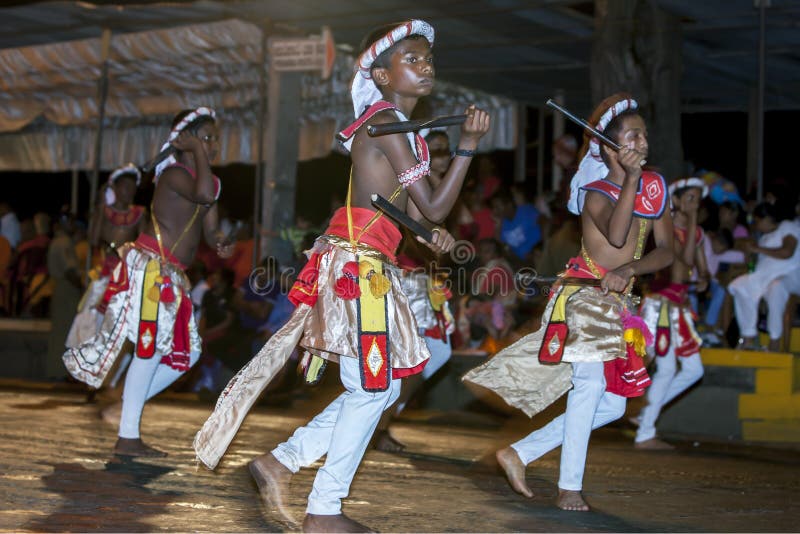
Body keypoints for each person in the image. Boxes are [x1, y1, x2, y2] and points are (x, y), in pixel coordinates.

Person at [194, 19, 489, 532]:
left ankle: (281, 462)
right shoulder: (388, 123)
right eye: (411, 60)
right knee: (374, 391)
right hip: (361, 269)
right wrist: (467, 147)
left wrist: (424, 234)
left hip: (367, 262)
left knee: (381, 389)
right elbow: (438, 206)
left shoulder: (397, 128)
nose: (426, 67)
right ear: (380, 74)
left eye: (427, 59)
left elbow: (413, 215)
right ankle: (324, 511)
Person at [464, 93, 673, 511]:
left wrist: (631, 271)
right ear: (609, 147)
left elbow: (666, 251)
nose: (643, 143)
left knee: (612, 404)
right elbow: (616, 237)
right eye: (633, 136)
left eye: (644, 135)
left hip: (621, 304)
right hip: (584, 296)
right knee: (591, 385)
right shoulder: (594, 193)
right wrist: (631, 181)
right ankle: (569, 488)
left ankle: (519, 452)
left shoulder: (655, 187)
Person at [63, 107, 233, 456]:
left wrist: (218, 239)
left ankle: (128, 408)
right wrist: (197, 152)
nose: (213, 144)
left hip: (172, 276)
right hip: (152, 271)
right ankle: (128, 435)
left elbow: (210, 221)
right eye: (206, 138)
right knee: (151, 346)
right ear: (184, 141)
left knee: (189, 353)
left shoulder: (209, 181)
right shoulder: (173, 175)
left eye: (215, 139)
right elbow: (202, 195)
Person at [634, 177, 709, 449]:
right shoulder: (665, 229)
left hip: (678, 309)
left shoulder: (696, 233)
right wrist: (690, 223)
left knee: (692, 370)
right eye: (690, 199)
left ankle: (644, 414)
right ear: (675, 200)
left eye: (698, 200)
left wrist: (704, 279)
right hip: (660, 308)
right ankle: (644, 430)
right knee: (665, 369)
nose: (695, 204)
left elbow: (700, 269)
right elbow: (685, 262)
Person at [66, 164, 146, 350]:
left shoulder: (139, 214)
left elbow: (143, 245)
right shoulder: (104, 211)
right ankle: (88, 352)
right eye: (126, 187)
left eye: (133, 188)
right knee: (93, 313)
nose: (130, 191)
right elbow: (93, 239)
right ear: (115, 189)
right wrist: (101, 207)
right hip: (105, 269)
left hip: (126, 271)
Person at [729, 202, 800, 351]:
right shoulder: (763, 238)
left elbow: (787, 252)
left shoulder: (787, 226)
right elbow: (757, 264)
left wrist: (757, 248)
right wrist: (749, 252)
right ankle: (748, 337)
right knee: (739, 285)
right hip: (765, 278)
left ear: (767, 219)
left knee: (776, 287)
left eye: (757, 220)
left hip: (789, 275)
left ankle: (774, 340)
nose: (756, 225)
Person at [46, 213, 83, 380]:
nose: (72, 224)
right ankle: (61, 372)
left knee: (62, 330)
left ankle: (58, 371)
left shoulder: (59, 241)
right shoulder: (63, 242)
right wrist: (82, 289)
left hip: (60, 287)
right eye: (69, 221)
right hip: (66, 288)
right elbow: (70, 271)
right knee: (66, 331)